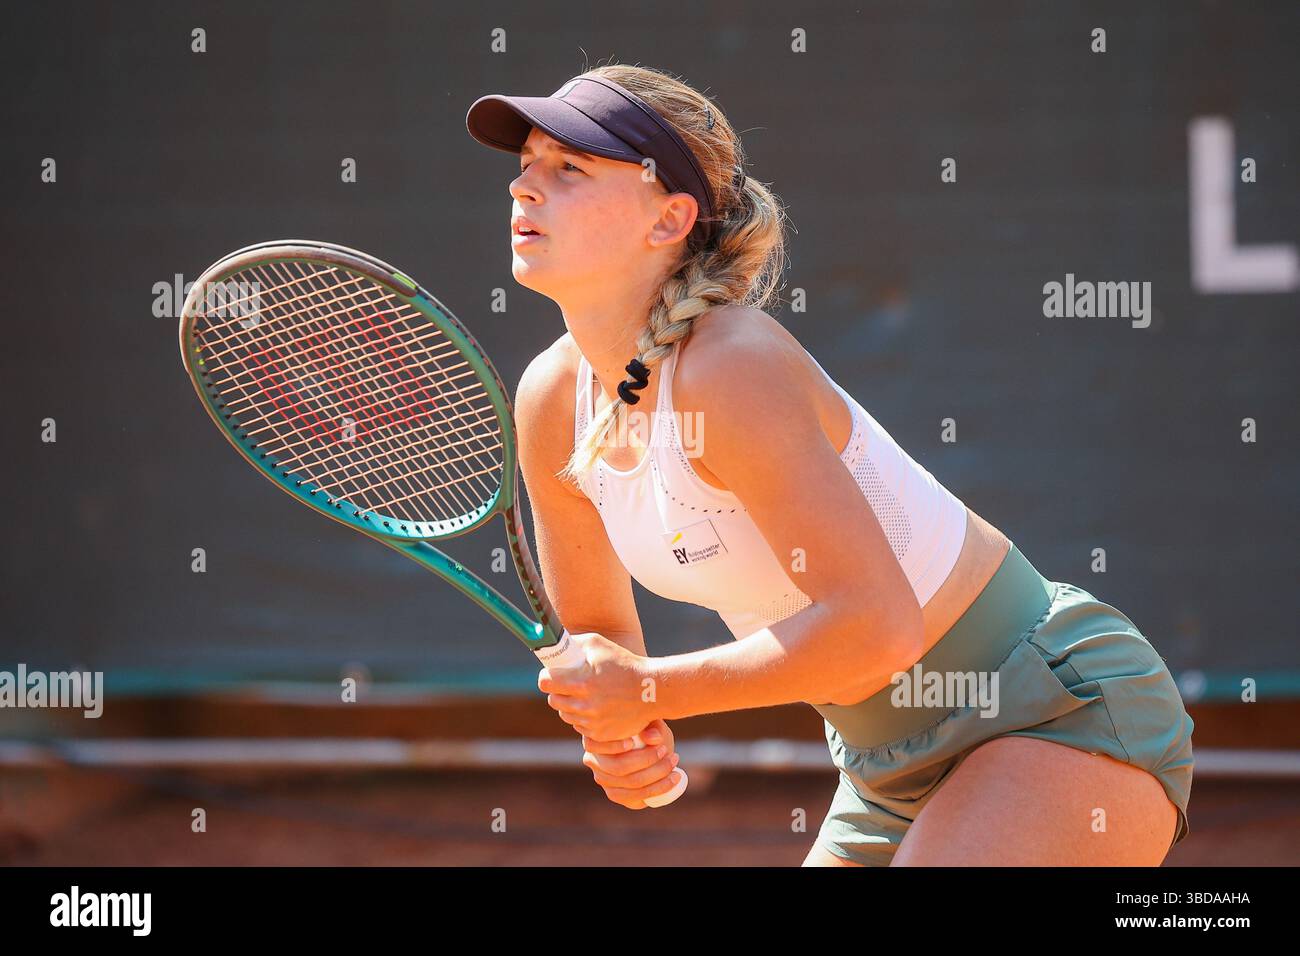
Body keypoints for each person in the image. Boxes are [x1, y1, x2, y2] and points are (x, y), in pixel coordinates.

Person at [464, 63, 1194, 866]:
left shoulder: (730, 367)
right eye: (526, 163)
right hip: (882, 771)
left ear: (669, 218)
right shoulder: (549, 399)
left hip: (1050, 713)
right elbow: (605, 643)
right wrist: (622, 732)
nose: (525, 188)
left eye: (569, 168)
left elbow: (876, 627)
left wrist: (647, 690)